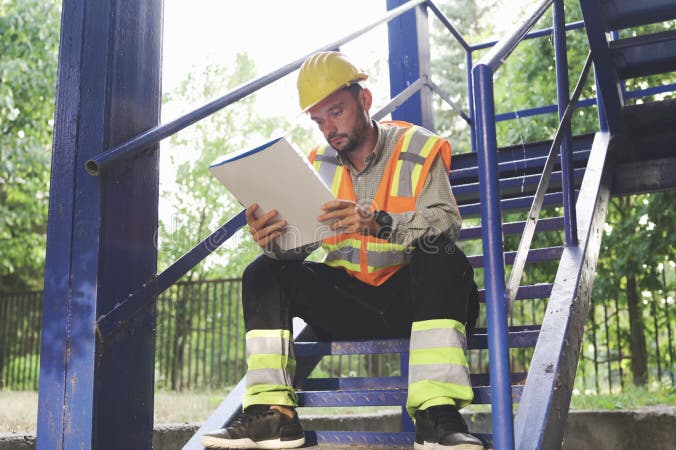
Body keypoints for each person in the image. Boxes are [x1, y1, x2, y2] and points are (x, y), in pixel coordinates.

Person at [201, 51, 483, 450]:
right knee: (263, 271)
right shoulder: (317, 165)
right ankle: (273, 416)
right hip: (350, 304)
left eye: (336, 112)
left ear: (364, 101)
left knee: (444, 257)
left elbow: (446, 222)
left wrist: (381, 223)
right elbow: (302, 245)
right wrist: (273, 240)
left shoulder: (418, 147)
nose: (328, 128)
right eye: (318, 120)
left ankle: (436, 417)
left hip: (415, 303)